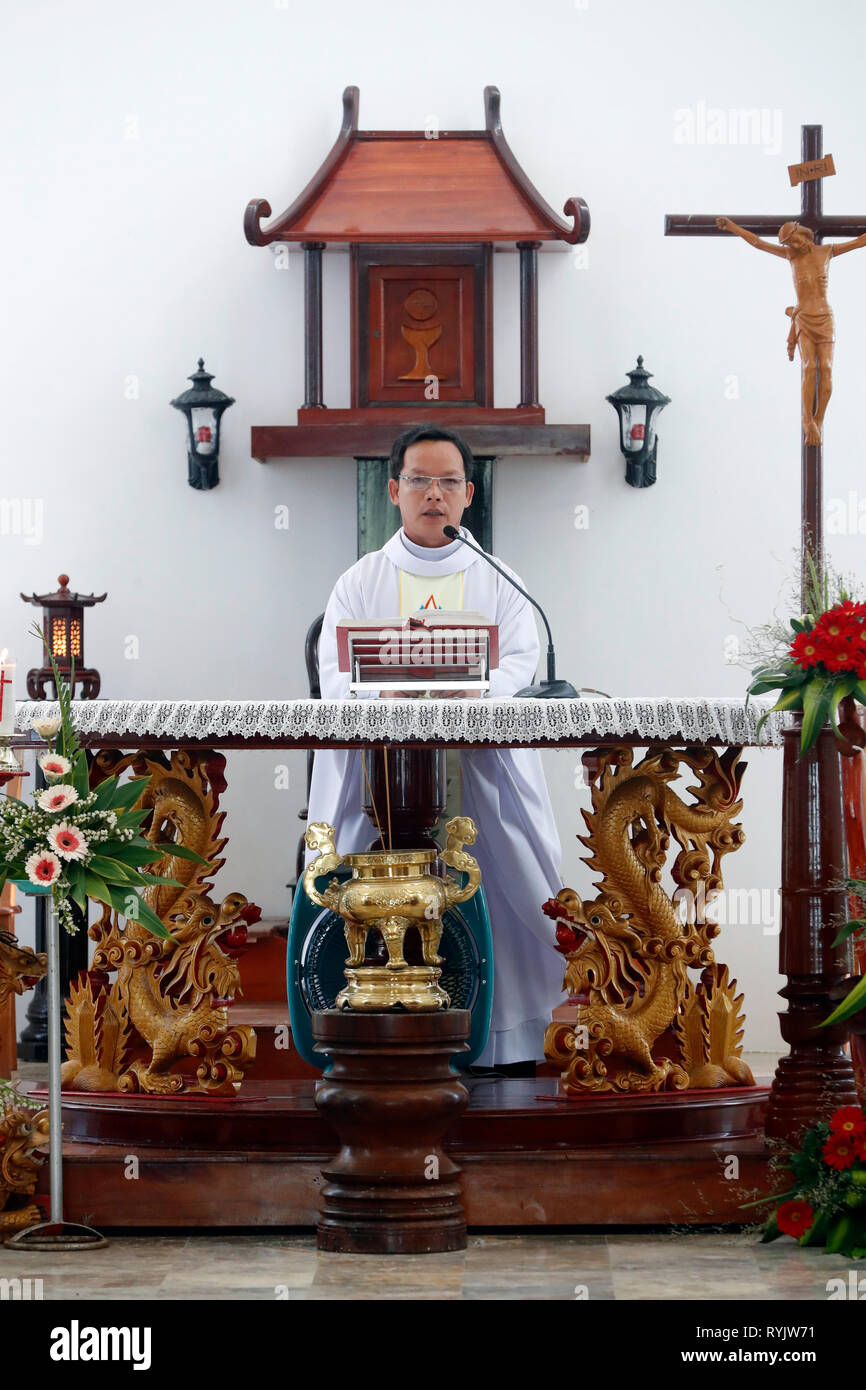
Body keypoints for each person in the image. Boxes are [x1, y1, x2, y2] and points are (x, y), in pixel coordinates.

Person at [306, 424, 565, 1071]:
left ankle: (501, 1039)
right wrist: (380, 704)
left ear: (468, 493)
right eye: (419, 479)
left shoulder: (500, 579)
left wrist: (482, 698)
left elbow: (522, 660)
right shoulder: (360, 581)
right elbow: (335, 675)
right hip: (383, 779)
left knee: (500, 876)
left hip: (476, 769)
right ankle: (368, 1031)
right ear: (394, 489)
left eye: (448, 481)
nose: (434, 493)